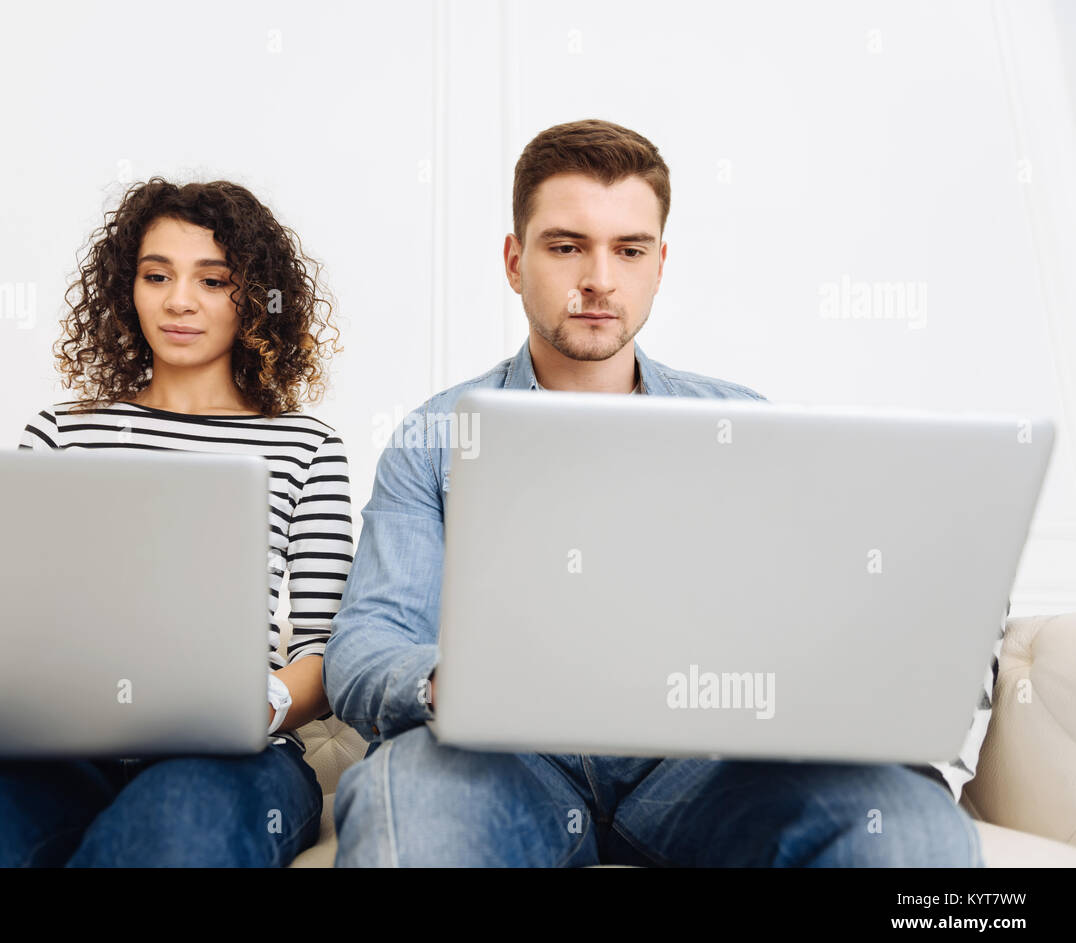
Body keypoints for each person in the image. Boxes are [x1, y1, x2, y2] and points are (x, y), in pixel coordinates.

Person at [323, 119, 987, 867]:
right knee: (411, 795)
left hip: (701, 769)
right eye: (566, 245)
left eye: (629, 250)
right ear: (514, 261)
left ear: (660, 263)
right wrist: (449, 681)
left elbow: (817, 615)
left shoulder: (743, 424)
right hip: (505, 762)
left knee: (902, 818)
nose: (600, 278)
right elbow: (364, 646)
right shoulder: (434, 433)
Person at [0, 178, 350, 867]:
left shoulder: (307, 446)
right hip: (57, 752)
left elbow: (324, 649)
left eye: (212, 280)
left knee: (175, 833)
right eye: (156, 275)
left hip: (227, 758)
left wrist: (262, 702)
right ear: (126, 289)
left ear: (252, 296)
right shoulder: (60, 433)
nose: (178, 300)